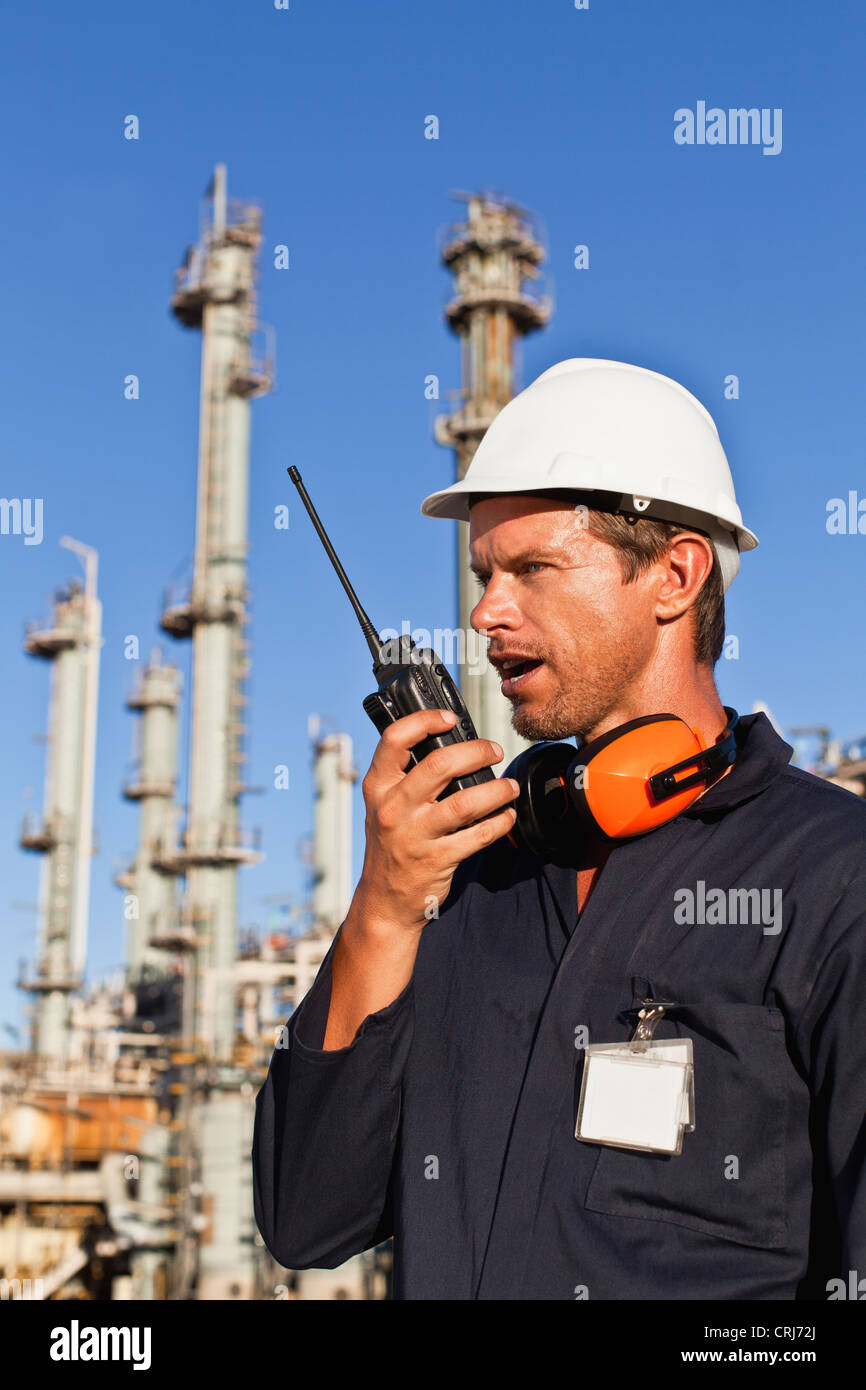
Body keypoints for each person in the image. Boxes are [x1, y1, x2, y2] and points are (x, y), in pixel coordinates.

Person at [252, 359, 866, 1299]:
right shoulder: (471, 879)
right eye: (484, 574)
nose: (487, 612)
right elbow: (307, 1219)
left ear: (674, 572)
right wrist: (384, 904)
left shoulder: (834, 879)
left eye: (532, 568)